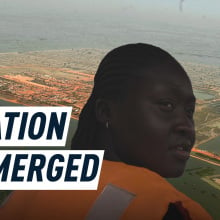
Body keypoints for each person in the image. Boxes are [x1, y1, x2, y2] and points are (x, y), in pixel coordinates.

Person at [0, 43, 212, 220]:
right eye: (166, 106)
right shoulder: (167, 211)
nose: (186, 126)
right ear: (106, 111)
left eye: (189, 111)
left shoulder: (33, 187)